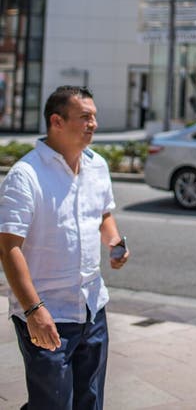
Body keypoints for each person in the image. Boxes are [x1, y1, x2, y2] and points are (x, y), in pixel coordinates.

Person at [0, 85, 130, 409]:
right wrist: (33, 311)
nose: (93, 124)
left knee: (90, 401)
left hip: (92, 308)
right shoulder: (25, 175)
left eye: (94, 116)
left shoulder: (97, 166)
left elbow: (103, 214)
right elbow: (8, 247)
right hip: (47, 312)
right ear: (56, 121)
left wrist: (113, 241)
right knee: (52, 404)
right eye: (85, 117)